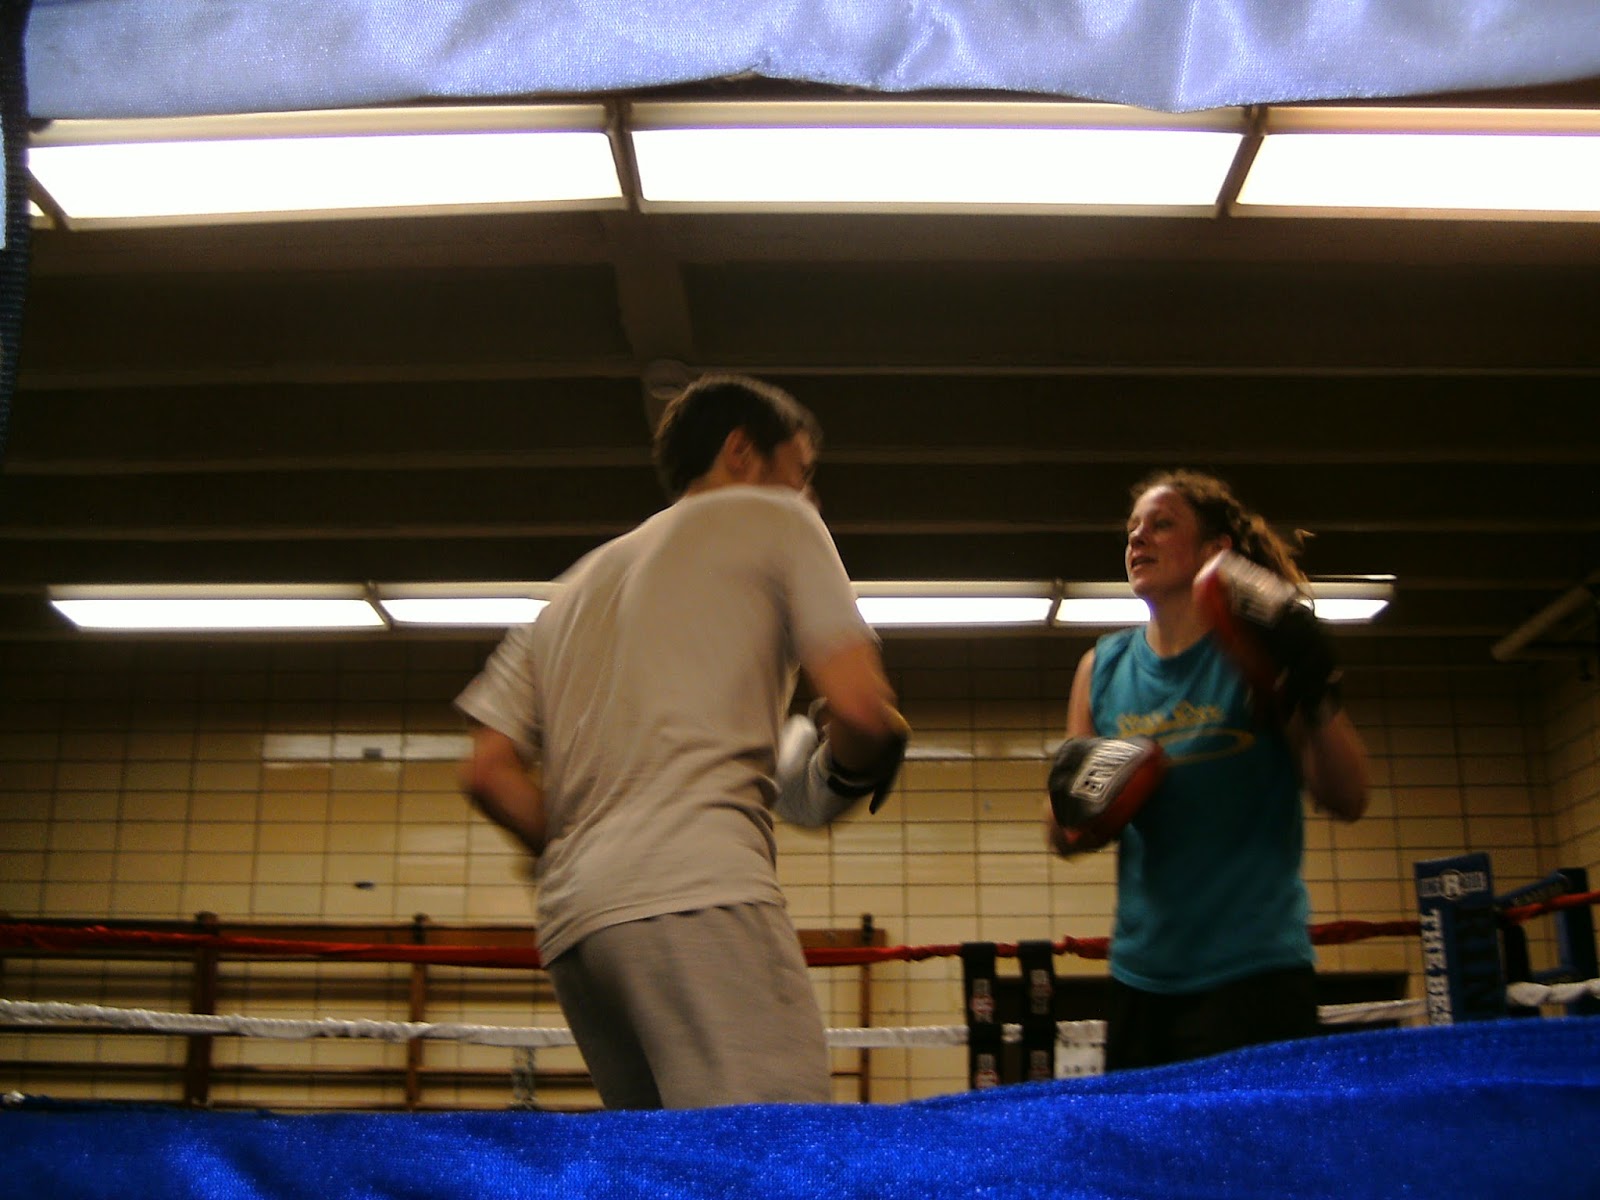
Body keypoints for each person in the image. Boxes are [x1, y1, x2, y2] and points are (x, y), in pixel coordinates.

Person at [454, 374, 908, 1109]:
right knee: (769, 1163)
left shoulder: (570, 592)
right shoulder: (777, 520)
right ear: (740, 451)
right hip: (699, 895)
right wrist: (860, 765)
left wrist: (582, 846)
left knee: (665, 1172)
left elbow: (487, 770)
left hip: (577, 929)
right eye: (802, 473)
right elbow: (858, 709)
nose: (810, 497)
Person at [1045, 469, 1369, 1071]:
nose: (1138, 538)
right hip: (1142, 978)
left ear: (1215, 550)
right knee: (1145, 1166)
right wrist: (1082, 799)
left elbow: (1349, 796)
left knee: (1258, 1164)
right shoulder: (1103, 666)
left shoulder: (1254, 652)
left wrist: (1317, 690)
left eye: (1162, 525)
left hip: (1257, 971)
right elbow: (1061, 834)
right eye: (1132, 529)